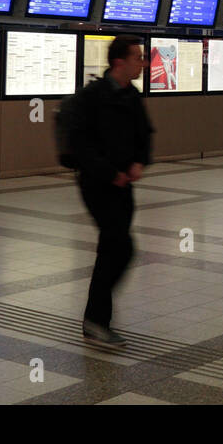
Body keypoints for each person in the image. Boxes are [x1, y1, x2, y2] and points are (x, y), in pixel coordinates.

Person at [70, 35, 154, 348]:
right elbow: (81, 145)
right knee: (118, 246)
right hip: (97, 185)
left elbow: (144, 135)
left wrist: (138, 162)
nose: (142, 64)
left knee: (117, 248)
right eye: (137, 57)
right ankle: (96, 320)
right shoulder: (92, 96)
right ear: (119, 61)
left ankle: (96, 318)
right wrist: (110, 173)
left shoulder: (130, 95)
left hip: (123, 185)